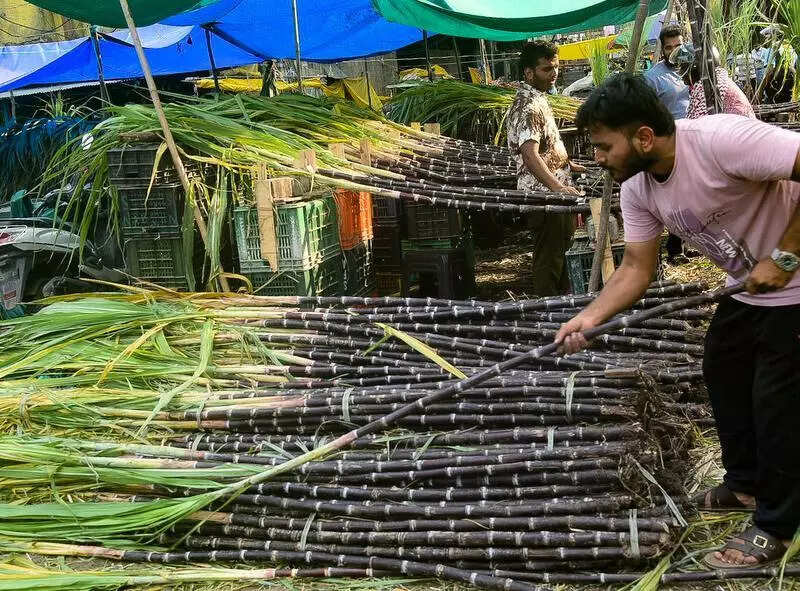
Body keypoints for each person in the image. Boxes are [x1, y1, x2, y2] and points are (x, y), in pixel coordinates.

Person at [556, 73, 800, 569]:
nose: (597, 158)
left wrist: (786, 256)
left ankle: (776, 527)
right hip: (750, 289)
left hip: (795, 283)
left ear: (644, 137)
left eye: (604, 146)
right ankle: (746, 486)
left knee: (777, 405)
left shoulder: (722, 141)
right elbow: (635, 268)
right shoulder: (639, 187)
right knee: (723, 370)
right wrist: (587, 318)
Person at [506, 41, 584, 296]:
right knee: (549, 259)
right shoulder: (528, 106)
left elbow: (543, 148)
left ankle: (561, 307)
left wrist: (567, 163)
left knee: (560, 254)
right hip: (544, 196)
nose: (554, 73)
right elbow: (529, 155)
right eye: (547, 69)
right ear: (529, 73)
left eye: (556, 67)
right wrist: (559, 188)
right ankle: (547, 311)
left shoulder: (539, 98)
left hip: (552, 191)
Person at [645, 25, 690, 263]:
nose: (673, 51)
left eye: (678, 46)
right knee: (675, 195)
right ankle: (674, 248)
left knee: (692, 193)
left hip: (697, 140)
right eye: (668, 47)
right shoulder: (654, 77)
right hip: (671, 143)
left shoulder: (695, 68)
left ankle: (686, 241)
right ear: (662, 49)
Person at [668, 43, 755, 119]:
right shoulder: (713, 82)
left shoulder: (711, 89)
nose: (680, 72)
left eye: (683, 67)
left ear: (695, 67)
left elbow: (700, 127)